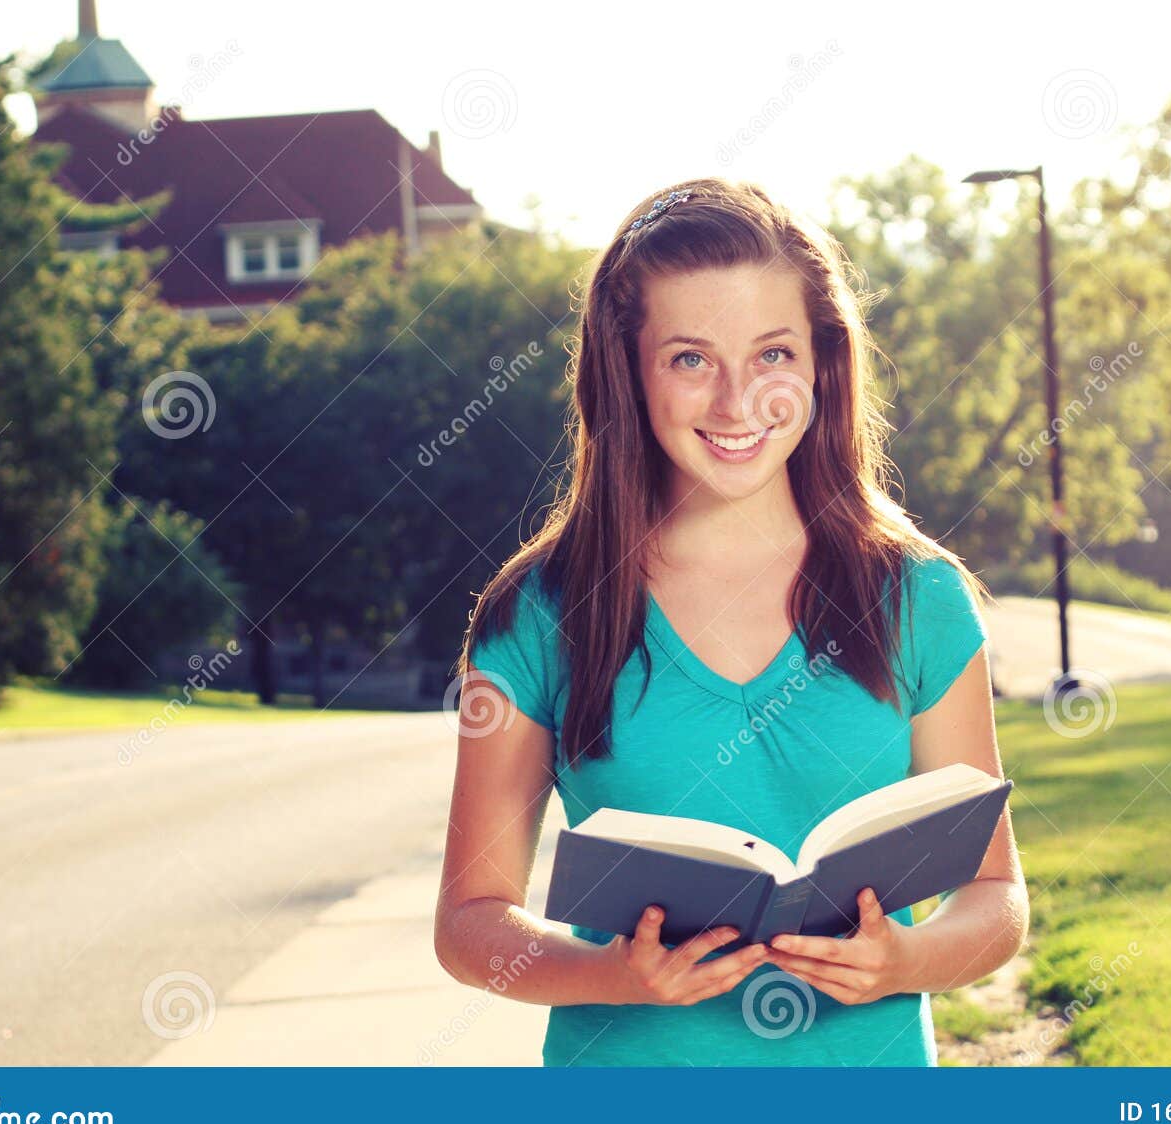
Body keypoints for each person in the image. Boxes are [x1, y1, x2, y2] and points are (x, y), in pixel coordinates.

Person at [434, 177, 1027, 1066]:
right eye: (690, 358)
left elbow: (996, 897)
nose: (737, 402)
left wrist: (908, 958)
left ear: (822, 362)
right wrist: (616, 974)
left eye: (773, 354)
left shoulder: (918, 595)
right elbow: (469, 924)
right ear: (627, 372)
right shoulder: (539, 613)